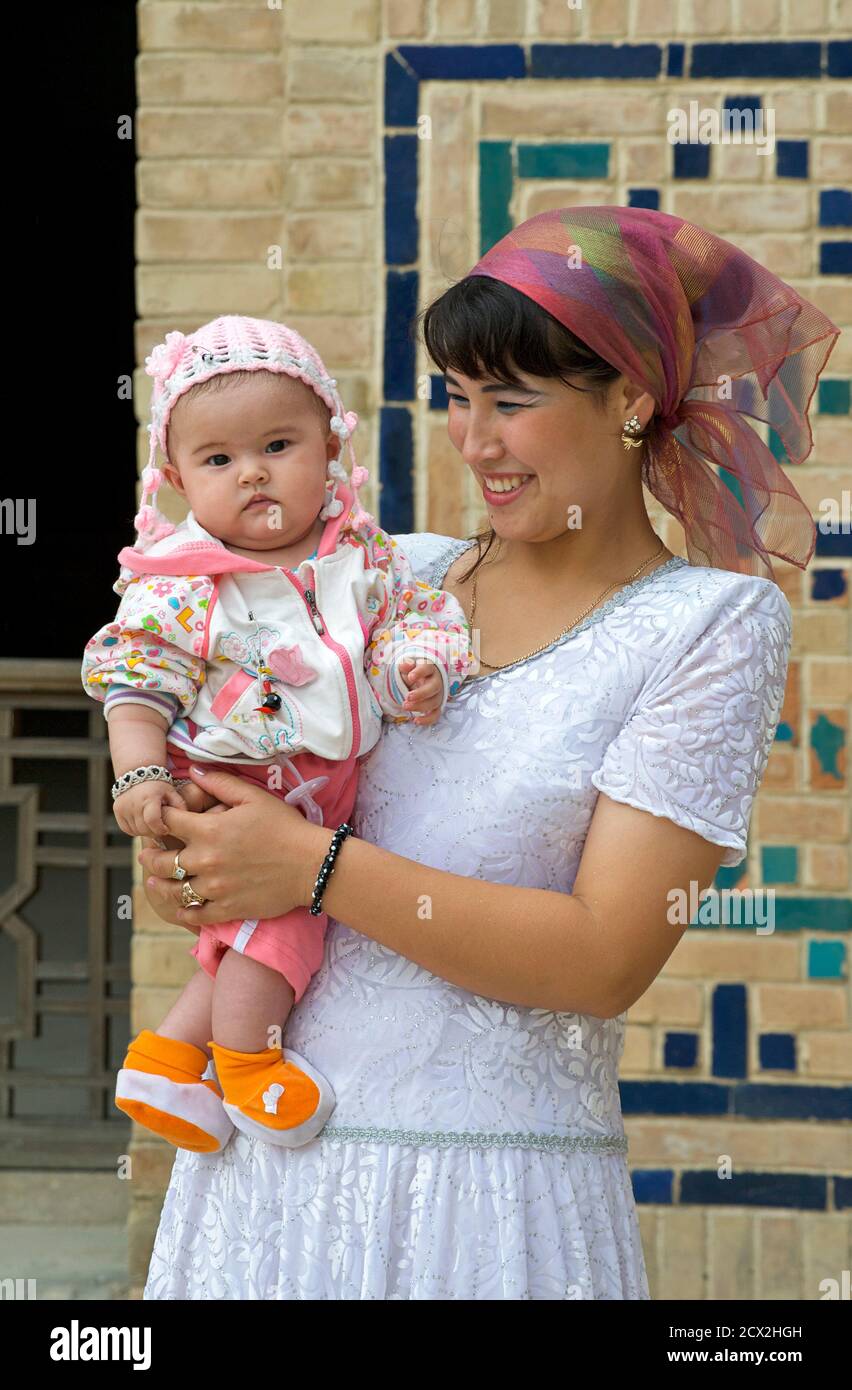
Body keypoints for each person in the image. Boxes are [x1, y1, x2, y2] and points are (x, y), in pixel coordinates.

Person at [138, 207, 839, 1300]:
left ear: (632, 401)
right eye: (458, 399)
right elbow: (227, 767)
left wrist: (308, 868)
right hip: (258, 1185)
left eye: (512, 402)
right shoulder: (386, 576)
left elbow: (607, 959)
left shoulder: (708, 628)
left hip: (490, 1206)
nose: (474, 442)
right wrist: (191, 852)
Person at [82, 315, 472, 1154]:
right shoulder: (183, 583)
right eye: (219, 460)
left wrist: (420, 665)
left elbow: (416, 615)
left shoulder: (366, 554)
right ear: (179, 478)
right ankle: (249, 1066)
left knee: (240, 932)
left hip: (319, 792)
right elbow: (134, 686)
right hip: (238, 785)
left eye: (279, 445)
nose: (252, 473)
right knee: (284, 923)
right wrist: (137, 777)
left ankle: (165, 1059)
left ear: (331, 448)